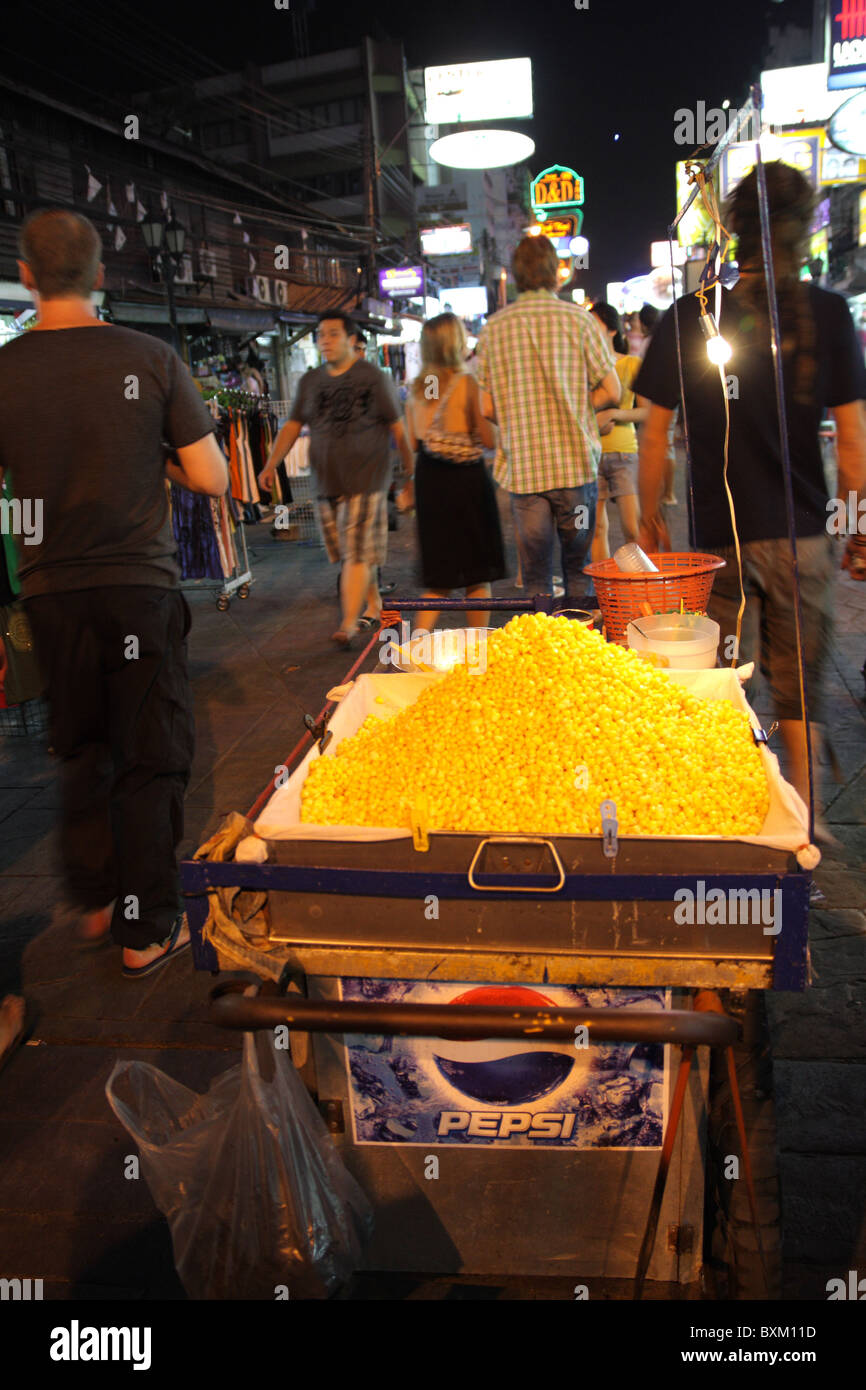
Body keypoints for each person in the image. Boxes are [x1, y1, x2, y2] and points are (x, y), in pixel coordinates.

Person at [0, 208, 228, 974]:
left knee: (81, 748)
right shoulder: (150, 357)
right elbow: (210, 477)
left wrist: (33, 510)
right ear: (100, 275)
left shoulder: (4, 370)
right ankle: (147, 929)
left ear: (27, 276)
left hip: (49, 594)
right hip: (138, 586)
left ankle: (97, 903)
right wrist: (152, 458)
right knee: (149, 757)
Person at [635, 161, 866, 825]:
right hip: (804, 540)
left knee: (727, 681)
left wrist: (650, 515)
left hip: (720, 543)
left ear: (732, 232)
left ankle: (738, 824)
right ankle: (806, 820)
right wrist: (855, 528)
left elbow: (653, 433)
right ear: (803, 232)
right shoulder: (828, 313)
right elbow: (852, 440)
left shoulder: (693, 316)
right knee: (800, 690)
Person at [475, 236, 620, 603]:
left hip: (524, 475)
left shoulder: (493, 329)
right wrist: (577, 408)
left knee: (537, 579)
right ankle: (579, 642)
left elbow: (487, 408)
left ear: (518, 274)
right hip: (575, 470)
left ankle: (542, 650)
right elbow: (612, 390)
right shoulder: (580, 321)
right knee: (579, 570)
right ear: (556, 271)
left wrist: (521, 413)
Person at [259, 313, 413, 647]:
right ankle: (374, 603)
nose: (325, 340)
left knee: (355, 553)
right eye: (320, 335)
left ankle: (348, 622)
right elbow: (291, 425)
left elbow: (398, 427)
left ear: (351, 340)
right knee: (352, 552)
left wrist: (410, 475)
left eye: (332, 334)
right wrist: (271, 463)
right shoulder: (311, 381)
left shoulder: (372, 377)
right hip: (326, 481)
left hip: (367, 477)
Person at [404, 312, 505, 630]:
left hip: (430, 480)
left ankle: (417, 646)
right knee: (477, 572)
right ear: (456, 343)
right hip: (466, 482)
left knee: (440, 572)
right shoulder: (468, 383)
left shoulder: (420, 388)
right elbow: (487, 439)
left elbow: (415, 441)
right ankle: (479, 649)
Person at [588, 302, 647, 560]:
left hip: (624, 453)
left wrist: (613, 413)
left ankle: (642, 591)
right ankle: (606, 594)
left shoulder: (631, 363)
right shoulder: (583, 369)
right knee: (597, 529)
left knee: (632, 528)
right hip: (591, 455)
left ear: (611, 330)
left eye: (594, 323)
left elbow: (646, 411)